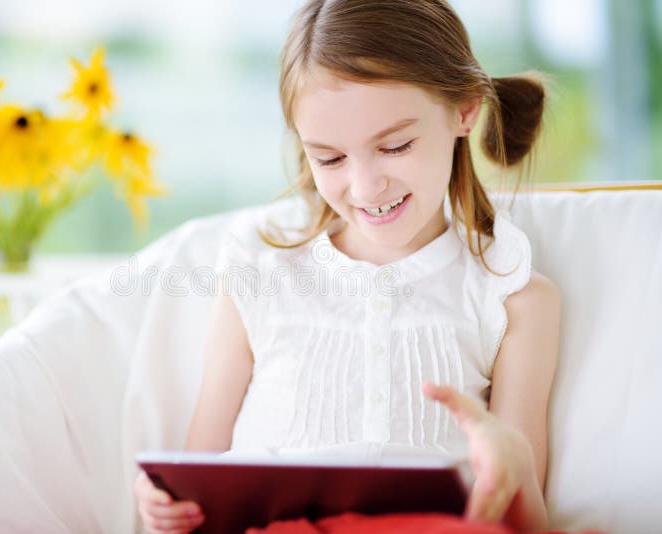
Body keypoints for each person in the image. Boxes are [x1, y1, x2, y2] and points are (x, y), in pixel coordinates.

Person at [134, 0, 561, 532]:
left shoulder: (512, 295)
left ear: (465, 110)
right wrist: (167, 505)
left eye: (395, 145)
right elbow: (200, 475)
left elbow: (529, 523)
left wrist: (509, 463)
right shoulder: (257, 270)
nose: (364, 187)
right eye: (330, 158)